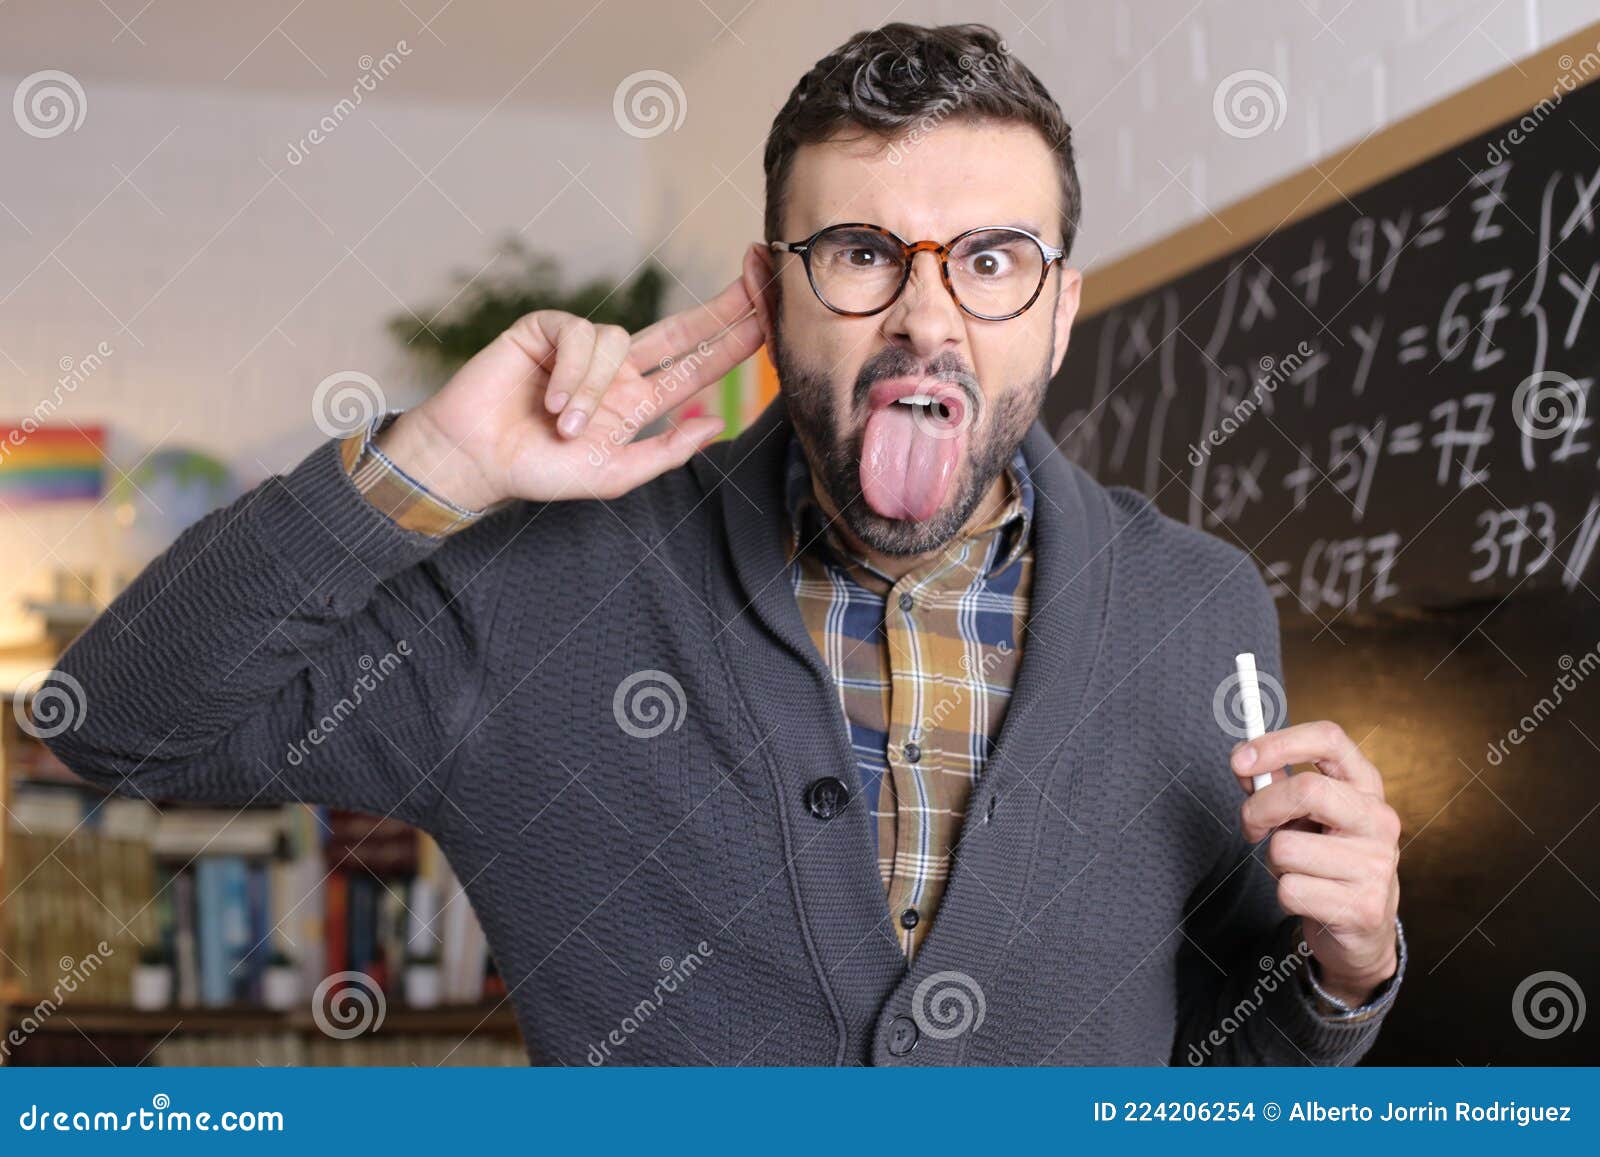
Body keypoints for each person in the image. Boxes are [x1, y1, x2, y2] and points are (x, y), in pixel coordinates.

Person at [42, 21, 1403, 1065]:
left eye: (992, 260)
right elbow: (111, 719)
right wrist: (440, 462)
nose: (929, 319)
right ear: (767, 292)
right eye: (863, 252)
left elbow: (1228, 1075)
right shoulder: (546, 590)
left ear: (1058, 309)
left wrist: (1348, 967)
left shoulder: (1198, 602)